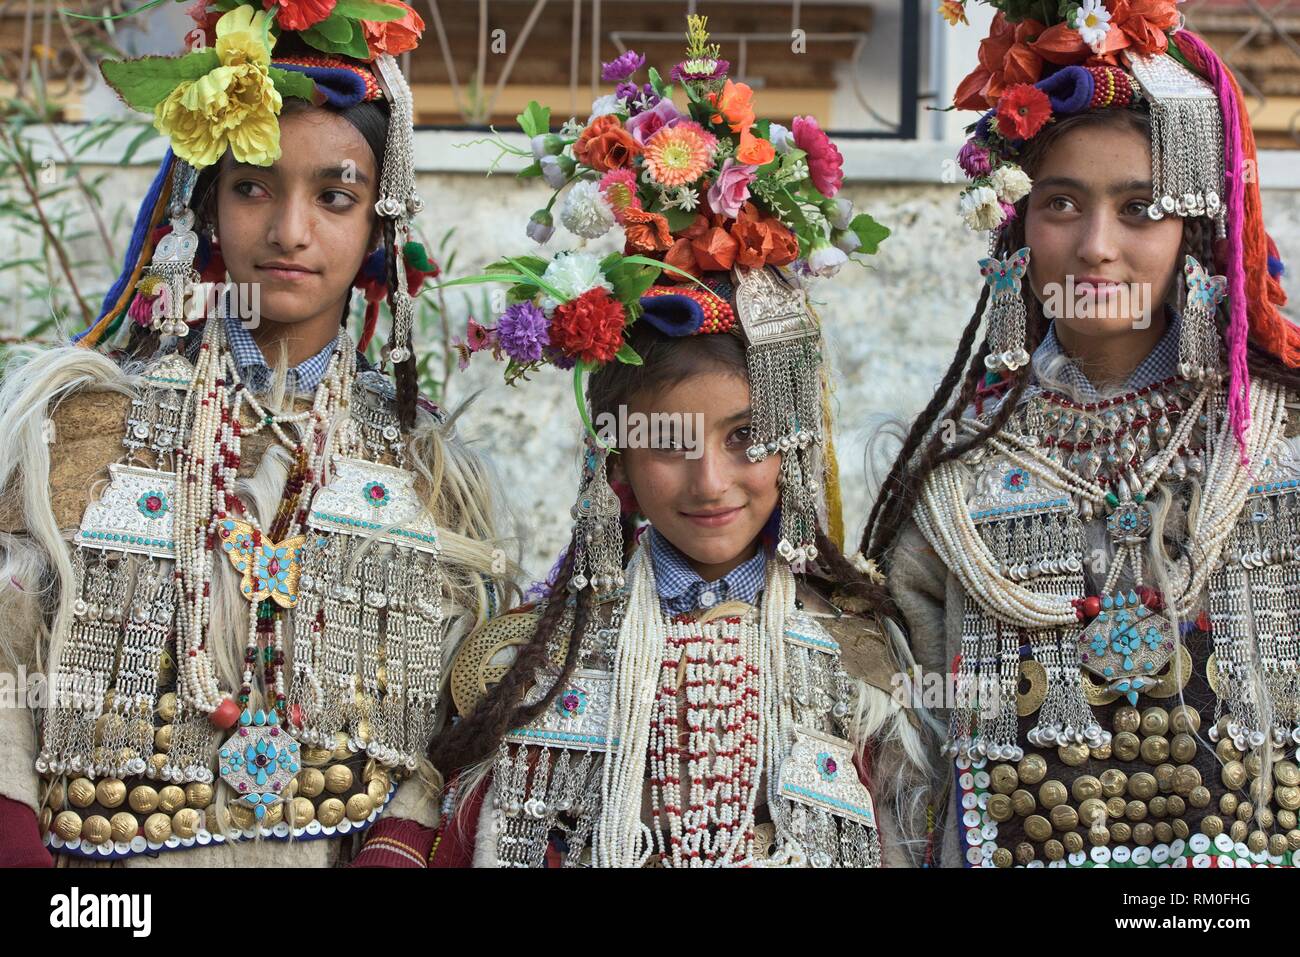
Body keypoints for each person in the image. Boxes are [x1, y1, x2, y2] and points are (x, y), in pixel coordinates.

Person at [0, 0, 516, 867]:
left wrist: (398, 843)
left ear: (377, 225)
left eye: (334, 196)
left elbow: (450, 732)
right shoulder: (82, 429)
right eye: (252, 187)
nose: (289, 231)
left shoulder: (427, 476)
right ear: (202, 208)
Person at [422, 20, 931, 867]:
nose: (711, 480)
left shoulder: (864, 655)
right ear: (613, 460)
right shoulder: (533, 661)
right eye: (668, 442)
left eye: (748, 438)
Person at [869, 1, 1297, 868]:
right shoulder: (952, 472)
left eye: (1140, 207)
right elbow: (908, 757)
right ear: (1017, 228)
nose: (1097, 247)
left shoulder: (1276, 440)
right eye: (1061, 202)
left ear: (1195, 230)